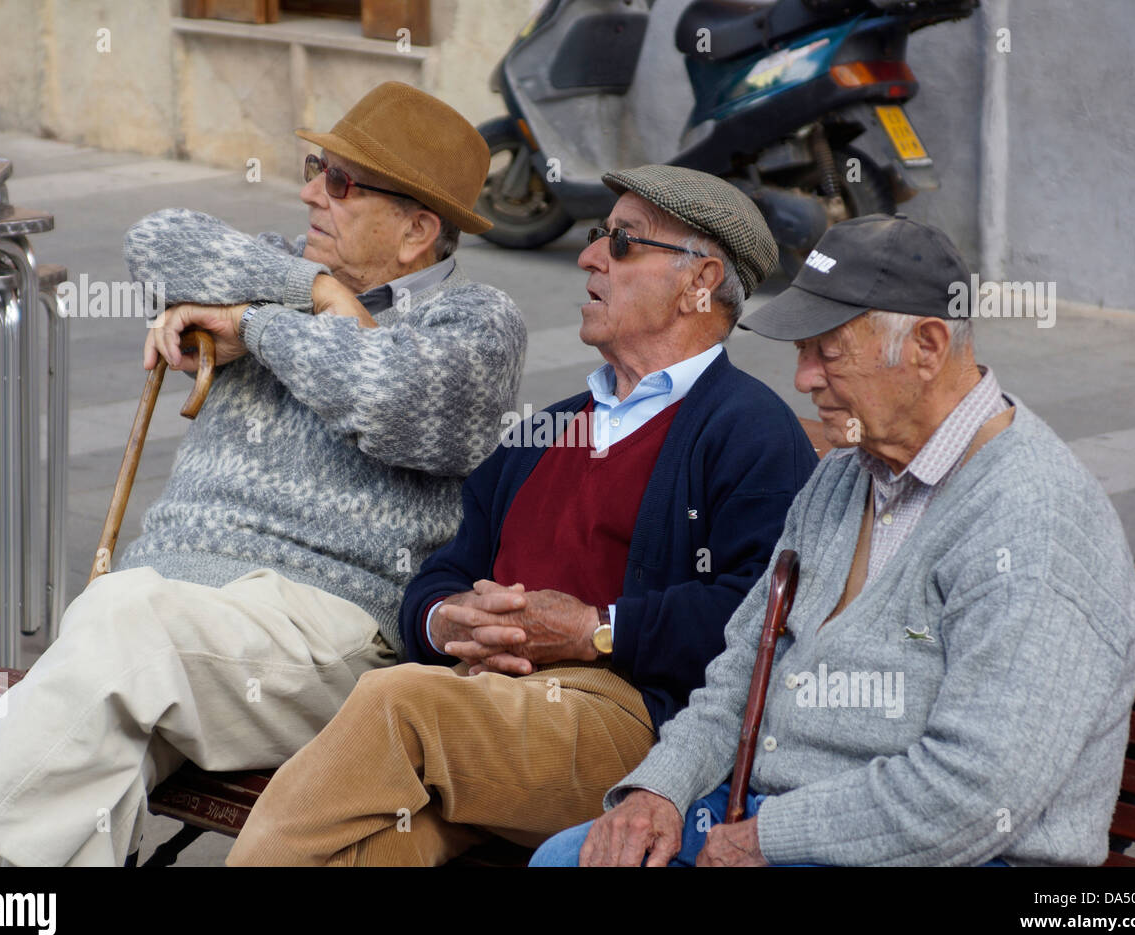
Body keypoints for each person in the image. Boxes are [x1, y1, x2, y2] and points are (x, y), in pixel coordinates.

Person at [0, 81, 526, 867]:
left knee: (121, 630)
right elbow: (156, 239)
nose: (308, 192)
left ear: (416, 231)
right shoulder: (286, 266)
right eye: (314, 167)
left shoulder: (475, 323)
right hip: (177, 617)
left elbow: (389, 393)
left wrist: (255, 325)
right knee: (107, 727)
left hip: (327, 629)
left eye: (339, 183)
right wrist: (318, 292)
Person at [225, 164, 818, 867]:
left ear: (700, 282)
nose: (589, 256)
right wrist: (447, 620)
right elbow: (443, 571)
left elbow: (761, 620)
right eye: (599, 235)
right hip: (486, 709)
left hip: (627, 722)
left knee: (397, 701)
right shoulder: (548, 430)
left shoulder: (748, 428)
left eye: (623, 242)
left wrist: (594, 632)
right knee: (375, 847)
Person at [532, 213, 1135, 867]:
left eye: (826, 351)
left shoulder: (1031, 519)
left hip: (945, 853)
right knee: (566, 860)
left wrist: (768, 838)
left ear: (928, 347)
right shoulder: (847, 474)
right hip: (771, 815)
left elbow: (973, 792)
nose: (801, 379)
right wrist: (660, 790)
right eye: (801, 351)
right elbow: (742, 674)